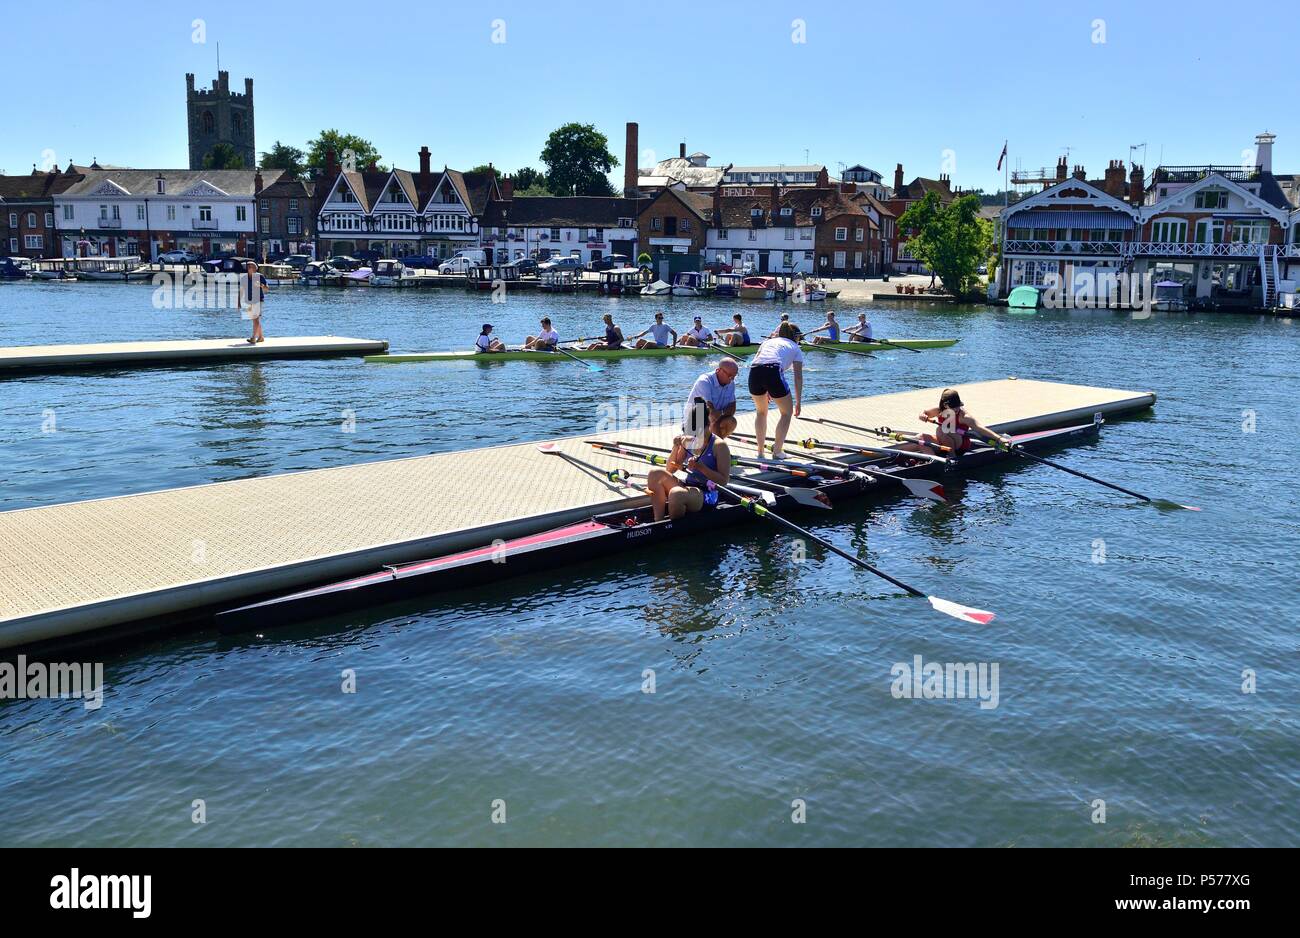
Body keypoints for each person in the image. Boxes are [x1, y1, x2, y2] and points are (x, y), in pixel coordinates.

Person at [645, 415, 737, 521]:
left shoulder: (719, 445)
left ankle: (673, 529)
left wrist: (701, 467)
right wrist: (675, 447)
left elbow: (724, 481)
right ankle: (659, 522)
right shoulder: (689, 441)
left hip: (708, 493)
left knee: (676, 494)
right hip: (689, 487)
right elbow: (670, 469)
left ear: (708, 426)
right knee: (655, 473)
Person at [747, 322, 804, 459]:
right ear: (796, 337)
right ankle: (777, 452)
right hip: (772, 371)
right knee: (786, 413)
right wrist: (798, 402)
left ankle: (760, 452)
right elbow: (798, 378)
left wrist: (766, 389)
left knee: (761, 412)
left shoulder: (767, 342)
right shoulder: (795, 348)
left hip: (754, 372)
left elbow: (757, 362)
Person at [917, 388, 1010, 455]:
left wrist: (999, 439)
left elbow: (980, 428)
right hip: (944, 440)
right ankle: (932, 461)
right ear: (945, 405)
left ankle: (952, 457)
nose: (958, 409)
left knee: (941, 429)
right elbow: (924, 413)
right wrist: (922, 416)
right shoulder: (938, 411)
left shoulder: (964, 416)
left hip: (960, 445)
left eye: (958, 406)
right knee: (920, 437)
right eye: (954, 407)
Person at [682, 359, 738, 440]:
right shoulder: (704, 381)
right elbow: (711, 412)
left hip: (712, 421)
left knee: (731, 422)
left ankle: (713, 446)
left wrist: (720, 414)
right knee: (712, 419)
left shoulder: (731, 383)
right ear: (719, 370)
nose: (732, 379)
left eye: (735, 376)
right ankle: (715, 447)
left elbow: (732, 408)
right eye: (730, 375)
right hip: (694, 423)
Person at [239, 260, 268, 344]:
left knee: (255, 319)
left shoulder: (260, 276)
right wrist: (239, 302)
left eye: (252, 267)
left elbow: (266, 289)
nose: (250, 268)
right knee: (255, 320)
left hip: (258, 300)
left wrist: (261, 285)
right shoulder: (244, 277)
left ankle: (253, 338)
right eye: (249, 267)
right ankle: (261, 337)